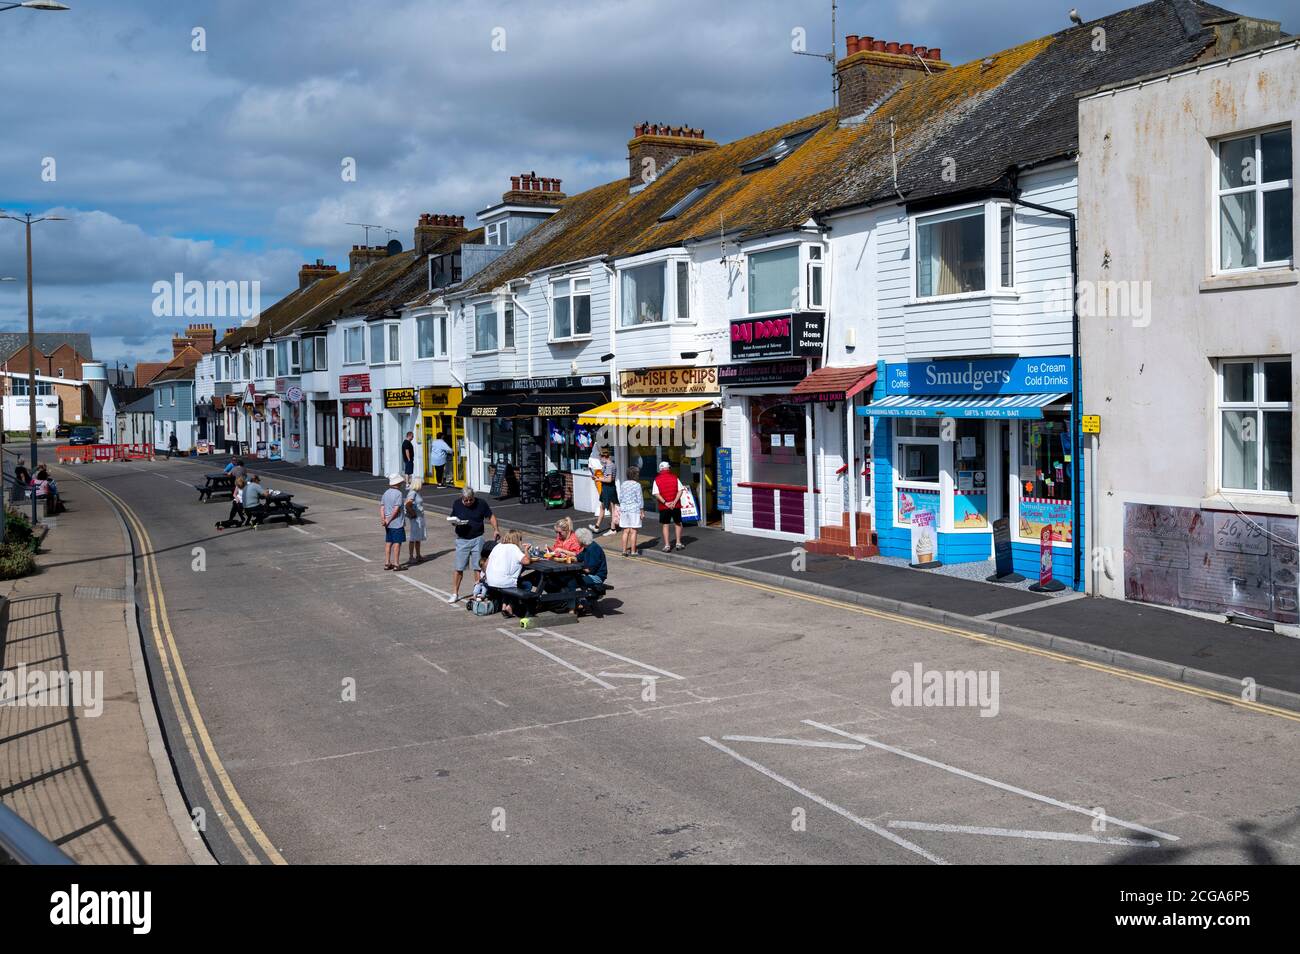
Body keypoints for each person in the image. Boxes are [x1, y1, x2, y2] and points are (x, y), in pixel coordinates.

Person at [448, 484, 499, 602]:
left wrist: (496, 529)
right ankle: (455, 593)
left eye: (471, 500)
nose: (468, 502)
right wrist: (455, 522)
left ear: (474, 497)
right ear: (462, 498)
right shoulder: (456, 503)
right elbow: (452, 518)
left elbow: (490, 516)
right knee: (459, 567)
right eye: (465, 500)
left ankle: (478, 591)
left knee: (478, 566)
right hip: (462, 539)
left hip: (478, 538)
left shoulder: (481, 503)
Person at [484, 530, 532, 618]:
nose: (521, 541)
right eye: (520, 539)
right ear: (516, 539)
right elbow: (527, 561)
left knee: (508, 583)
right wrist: (526, 550)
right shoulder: (513, 548)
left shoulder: (498, 546)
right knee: (527, 584)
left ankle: (504, 606)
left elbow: (486, 564)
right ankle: (511, 606)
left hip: (490, 580)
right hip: (503, 582)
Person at [569, 527, 609, 616]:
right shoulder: (587, 547)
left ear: (581, 539)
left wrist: (579, 568)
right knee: (569, 579)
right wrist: (567, 557)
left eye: (577, 539)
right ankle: (575, 604)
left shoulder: (593, 549)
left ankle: (572, 608)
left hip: (597, 577)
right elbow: (578, 558)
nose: (576, 541)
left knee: (571, 582)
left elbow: (590, 570)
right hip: (590, 574)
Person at [653, 461, 685, 552]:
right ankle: (678, 543)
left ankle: (667, 545)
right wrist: (674, 502)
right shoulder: (675, 477)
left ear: (660, 469)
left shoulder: (657, 479)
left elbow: (656, 493)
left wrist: (665, 502)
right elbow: (681, 490)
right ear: (668, 468)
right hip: (675, 505)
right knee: (678, 523)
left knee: (665, 525)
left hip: (664, 506)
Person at [589, 446, 619, 536]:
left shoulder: (610, 465)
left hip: (609, 488)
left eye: (600, 457)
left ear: (604, 456)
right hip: (606, 488)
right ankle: (597, 527)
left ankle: (613, 529)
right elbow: (605, 477)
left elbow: (609, 479)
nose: (600, 459)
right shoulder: (607, 465)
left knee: (612, 509)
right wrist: (597, 477)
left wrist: (598, 479)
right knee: (602, 507)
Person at [380, 473, 407, 570]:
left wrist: (384, 519)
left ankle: (387, 563)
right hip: (397, 523)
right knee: (397, 543)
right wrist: (389, 519)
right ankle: (396, 564)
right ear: (398, 483)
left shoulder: (386, 493)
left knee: (388, 542)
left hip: (388, 524)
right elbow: (396, 510)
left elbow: (382, 507)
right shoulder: (398, 494)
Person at [617, 465, 644, 556]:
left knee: (625, 531)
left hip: (624, 509)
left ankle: (624, 551)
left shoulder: (623, 484)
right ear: (635, 475)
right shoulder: (637, 485)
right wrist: (642, 510)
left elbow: (620, 498)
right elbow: (639, 499)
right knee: (633, 531)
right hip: (634, 510)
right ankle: (633, 551)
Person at [405, 477, 426, 565]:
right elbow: (408, 504)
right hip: (415, 518)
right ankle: (411, 557)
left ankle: (418, 555)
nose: (423, 485)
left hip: (419, 517)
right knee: (413, 537)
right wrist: (413, 514)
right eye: (422, 483)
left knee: (418, 537)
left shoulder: (417, 492)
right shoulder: (412, 493)